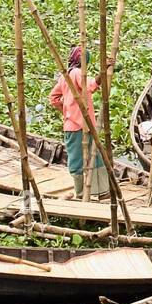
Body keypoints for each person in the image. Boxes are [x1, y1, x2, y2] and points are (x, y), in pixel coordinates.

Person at [49, 46, 108, 198]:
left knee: (84, 157)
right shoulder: (76, 73)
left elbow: (53, 99)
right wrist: (104, 69)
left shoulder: (65, 75)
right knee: (90, 157)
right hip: (81, 125)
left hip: (75, 124)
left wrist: (67, 111)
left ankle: (91, 192)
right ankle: (87, 193)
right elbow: (92, 85)